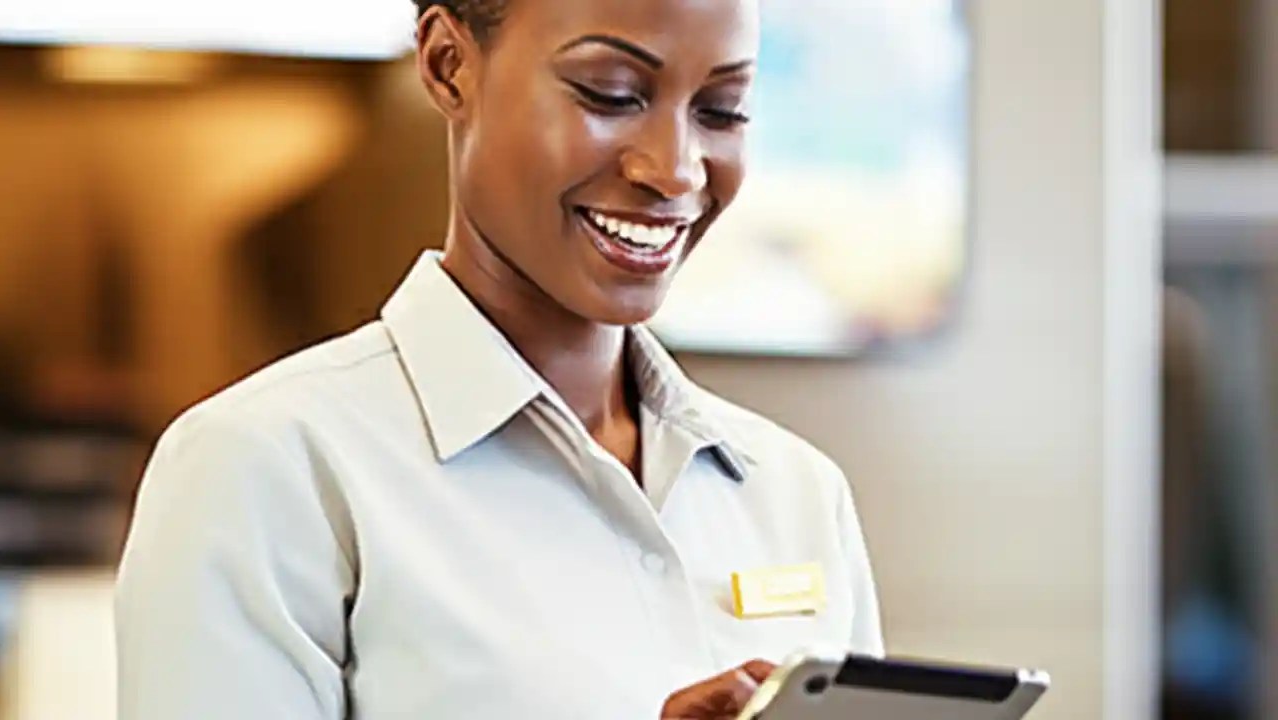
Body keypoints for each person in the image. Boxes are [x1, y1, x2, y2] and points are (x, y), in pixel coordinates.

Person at [114, 0, 884, 717]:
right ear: (450, 65)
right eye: (611, 94)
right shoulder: (264, 467)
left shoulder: (798, 492)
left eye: (721, 111)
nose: (676, 170)